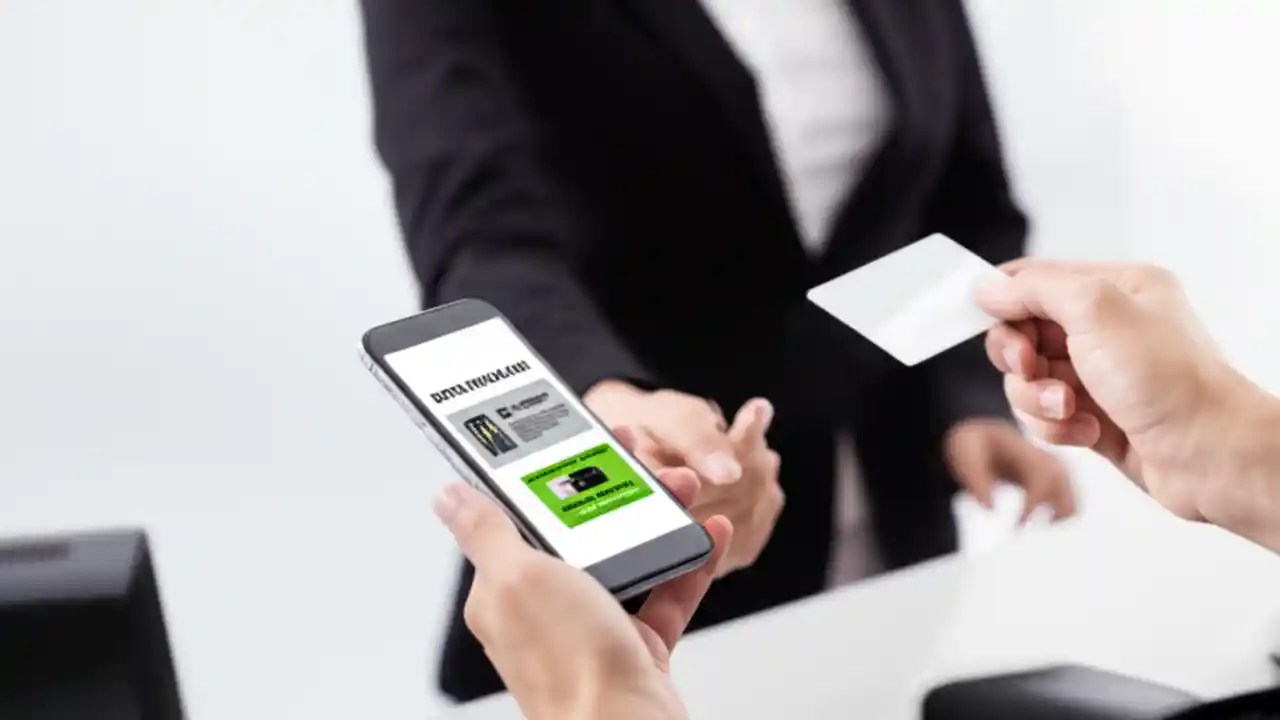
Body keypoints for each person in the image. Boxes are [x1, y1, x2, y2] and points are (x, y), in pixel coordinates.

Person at [360, 0, 1071, 700]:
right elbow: (482, 234)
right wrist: (607, 404)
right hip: (658, 549)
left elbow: (970, 204)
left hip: (898, 514)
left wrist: (966, 399)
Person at [436, 259, 1280, 719]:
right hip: (730, 569)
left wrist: (602, 707)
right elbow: (489, 228)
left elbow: (959, 184)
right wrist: (1239, 453)